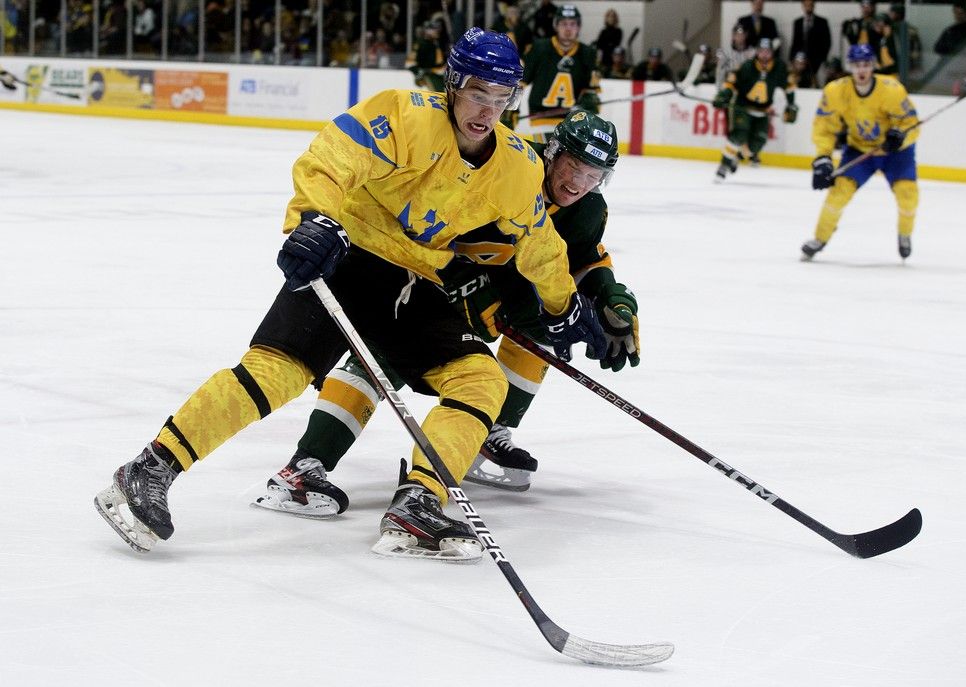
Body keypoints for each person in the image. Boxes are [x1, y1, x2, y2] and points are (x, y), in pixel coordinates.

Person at [93, 28, 608, 562]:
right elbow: (332, 158)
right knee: (278, 371)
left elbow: (539, 244)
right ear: (454, 84)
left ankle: (418, 504)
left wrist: (563, 304)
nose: (488, 110)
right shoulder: (404, 114)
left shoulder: (517, 166)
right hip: (349, 254)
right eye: (479, 93)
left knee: (479, 380)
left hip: (415, 283)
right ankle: (150, 468)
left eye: (501, 98)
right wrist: (313, 218)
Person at [252, 111, 636, 505]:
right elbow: (430, 221)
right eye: (573, 166)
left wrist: (613, 299)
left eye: (593, 175)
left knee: (547, 325)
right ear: (552, 153)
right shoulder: (508, 166)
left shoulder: (589, 208)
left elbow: (584, 258)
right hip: (424, 275)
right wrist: (463, 286)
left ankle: (485, 433)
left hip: (496, 289)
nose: (578, 183)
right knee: (381, 358)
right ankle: (306, 463)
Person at [801, 43, 919, 261]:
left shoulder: (892, 89)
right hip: (860, 150)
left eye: (866, 65)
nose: (861, 70)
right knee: (838, 193)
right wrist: (823, 158)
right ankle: (820, 238)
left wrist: (900, 136)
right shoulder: (836, 91)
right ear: (850, 67)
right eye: (856, 65)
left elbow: (911, 123)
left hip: (895, 153)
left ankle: (905, 234)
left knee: (908, 194)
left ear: (873, 66)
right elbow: (824, 127)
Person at [712, 37, 797, 181]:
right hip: (743, 106)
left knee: (758, 143)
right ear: (757, 52)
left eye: (767, 52)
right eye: (761, 51)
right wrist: (723, 96)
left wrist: (791, 105)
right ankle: (724, 165)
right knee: (739, 134)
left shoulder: (779, 68)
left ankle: (738, 156)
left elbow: (789, 87)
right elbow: (731, 82)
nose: (764, 55)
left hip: (763, 111)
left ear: (772, 53)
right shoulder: (747, 67)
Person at [521, 4, 601, 134]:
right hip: (540, 120)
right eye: (564, 24)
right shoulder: (539, 48)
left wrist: (589, 102)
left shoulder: (588, 53)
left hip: (572, 123)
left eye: (573, 24)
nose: (568, 28)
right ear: (556, 25)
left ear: (578, 27)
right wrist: (511, 108)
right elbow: (520, 82)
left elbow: (591, 91)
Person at [790, 0, 831, 85]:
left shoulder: (822, 22)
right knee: (798, 81)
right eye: (806, 5)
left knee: (819, 82)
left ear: (814, 6)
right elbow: (795, 42)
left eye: (810, 5)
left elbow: (827, 42)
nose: (808, 7)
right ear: (803, 6)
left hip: (817, 60)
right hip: (801, 59)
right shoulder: (798, 22)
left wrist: (821, 58)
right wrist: (792, 58)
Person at [406, 20, 446, 91]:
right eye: (434, 29)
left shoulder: (437, 43)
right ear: (427, 30)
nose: (437, 31)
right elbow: (410, 63)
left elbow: (440, 62)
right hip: (430, 76)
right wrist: (419, 72)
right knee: (438, 95)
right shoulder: (420, 44)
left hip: (440, 76)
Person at [872, 13, 899, 78]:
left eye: (878, 23)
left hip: (893, 73)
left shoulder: (893, 37)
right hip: (883, 72)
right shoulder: (880, 38)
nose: (875, 26)